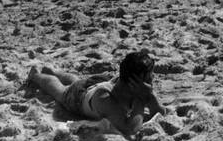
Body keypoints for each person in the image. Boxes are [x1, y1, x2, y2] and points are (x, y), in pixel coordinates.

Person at [26, 50, 165, 136]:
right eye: (149, 76)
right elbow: (130, 128)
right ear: (135, 81)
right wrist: (142, 99)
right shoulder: (105, 99)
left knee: (78, 80)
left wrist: (149, 95)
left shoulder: (132, 86)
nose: (152, 78)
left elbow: (160, 112)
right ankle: (36, 75)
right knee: (60, 91)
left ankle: (54, 71)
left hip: (100, 83)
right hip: (79, 97)